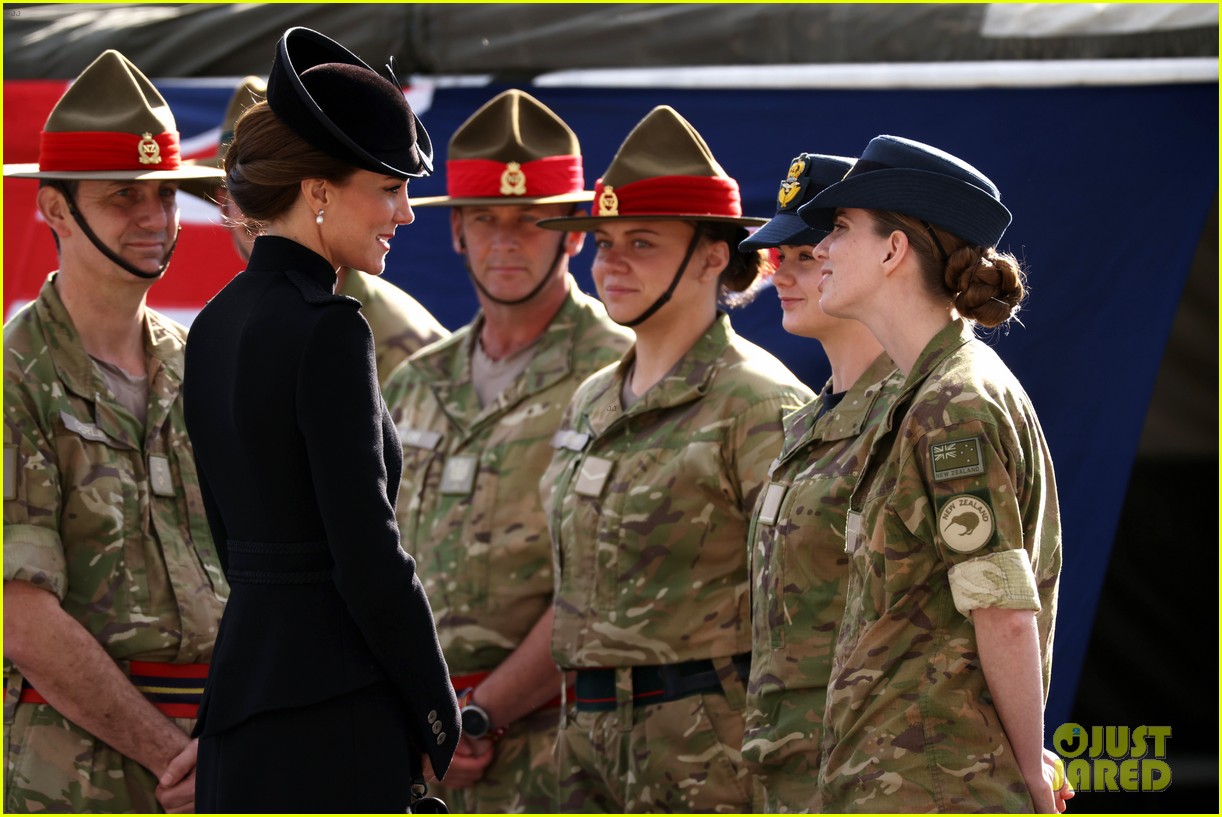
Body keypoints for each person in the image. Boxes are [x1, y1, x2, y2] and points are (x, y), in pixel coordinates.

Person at [180, 27, 458, 811]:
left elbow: (233, 542)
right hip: (332, 721)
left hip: (242, 709)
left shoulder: (213, 324)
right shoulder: (329, 328)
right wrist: (435, 711)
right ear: (319, 192)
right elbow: (367, 553)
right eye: (389, 188)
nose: (406, 212)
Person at [536, 105, 815, 812]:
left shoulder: (759, 402)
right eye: (604, 242)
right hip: (581, 743)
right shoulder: (593, 398)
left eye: (642, 242)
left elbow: (810, 609)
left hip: (707, 752)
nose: (610, 263)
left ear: (713, 256)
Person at [796, 135, 1068, 812]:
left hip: (938, 783)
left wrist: (1029, 771)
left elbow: (1001, 611)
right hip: (908, 777)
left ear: (893, 251)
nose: (820, 249)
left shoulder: (953, 404)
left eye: (840, 228)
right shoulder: (928, 391)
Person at [381, 88, 633, 813]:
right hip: (418, 752)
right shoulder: (415, 380)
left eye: (530, 220)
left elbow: (608, 579)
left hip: (561, 749)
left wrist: (479, 711)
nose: (505, 241)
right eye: (485, 219)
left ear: (574, 235)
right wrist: (423, 716)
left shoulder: (623, 374)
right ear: (456, 231)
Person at [2, 49, 229, 813]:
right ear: (56, 209)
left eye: (165, 194)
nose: (154, 218)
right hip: (69, 776)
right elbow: (20, 616)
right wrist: (176, 759)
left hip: (213, 756)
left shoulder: (201, 366)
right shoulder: (15, 376)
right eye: (123, 195)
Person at [737, 153, 905, 812]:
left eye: (807, 257)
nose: (781, 274)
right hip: (788, 767)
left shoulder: (910, 414)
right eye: (780, 257)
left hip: (873, 770)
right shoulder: (808, 419)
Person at [182, 75, 449, 385]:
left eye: (281, 191)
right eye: (249, 190)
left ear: (318, 193)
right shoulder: (223, 326)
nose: (265, 211)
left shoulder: (401, 342)